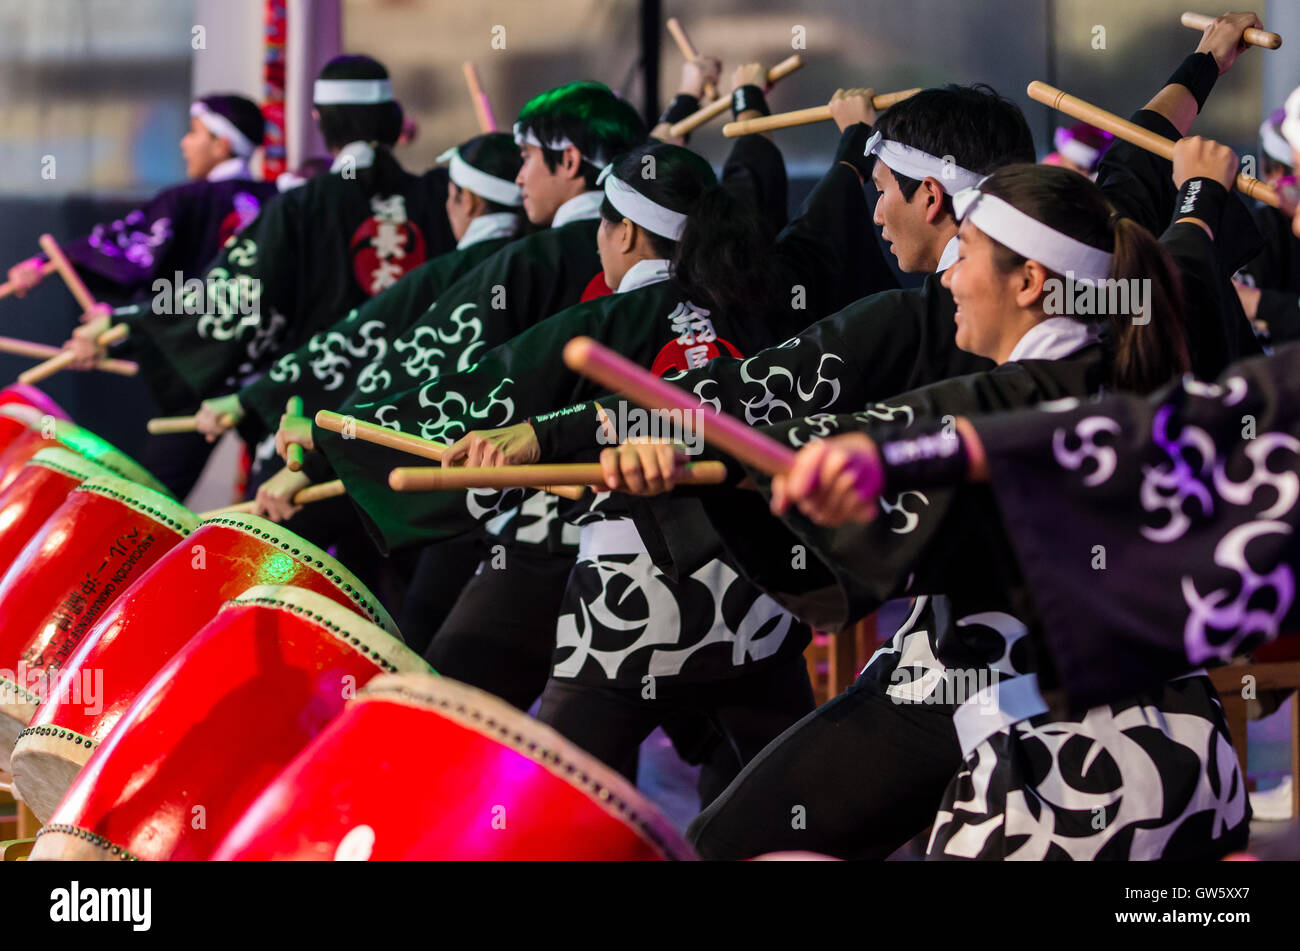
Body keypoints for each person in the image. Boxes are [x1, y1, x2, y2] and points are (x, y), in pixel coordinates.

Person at [599, 143, 1252, 860]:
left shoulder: (1015, 405)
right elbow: (1184, 256)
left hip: (1065, 770)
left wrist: (697, 455)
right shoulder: (1133, 365)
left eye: (965, 254)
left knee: (728, 844)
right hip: (1180, 748)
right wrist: (1199, 198)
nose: (953, 279)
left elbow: (875, 440)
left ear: (1030, 280)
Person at [6, 92, 277, 498]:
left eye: (194, 133)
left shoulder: (187, 200)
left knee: (149, 500)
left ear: (221, 145)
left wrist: (49, 269)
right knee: (280, 499)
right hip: (268, 367)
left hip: (196, 366)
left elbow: (127, 249)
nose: (185, 143)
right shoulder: (284, 203)